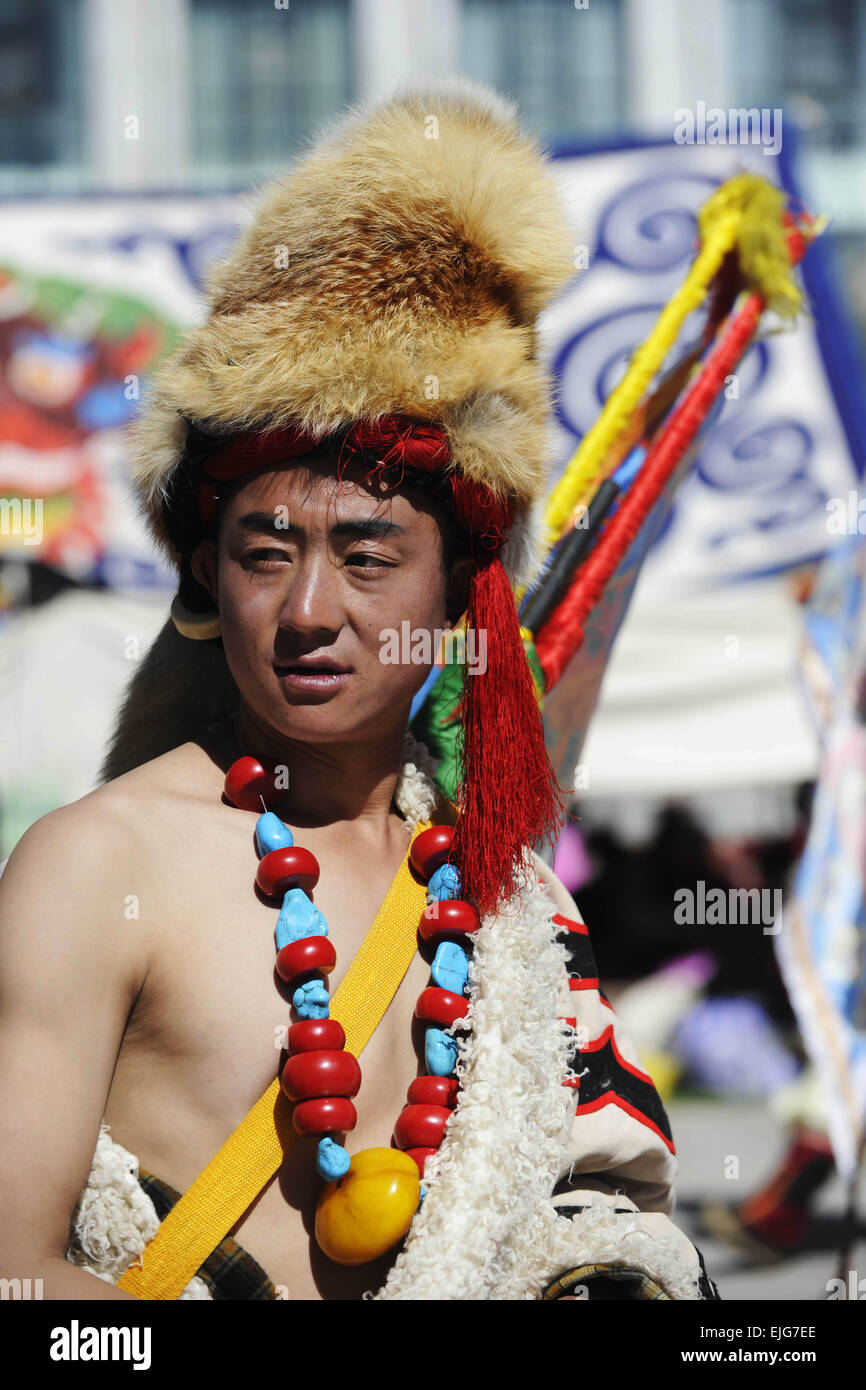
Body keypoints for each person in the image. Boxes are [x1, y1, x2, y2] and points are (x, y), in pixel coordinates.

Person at [0, 77, 717, 1301]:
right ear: (201, 578)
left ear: (459, 600)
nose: (310, 610)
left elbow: (601, 1207)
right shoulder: (96, 866)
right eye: (264, 552)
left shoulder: (505, 899)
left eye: (369, 556)